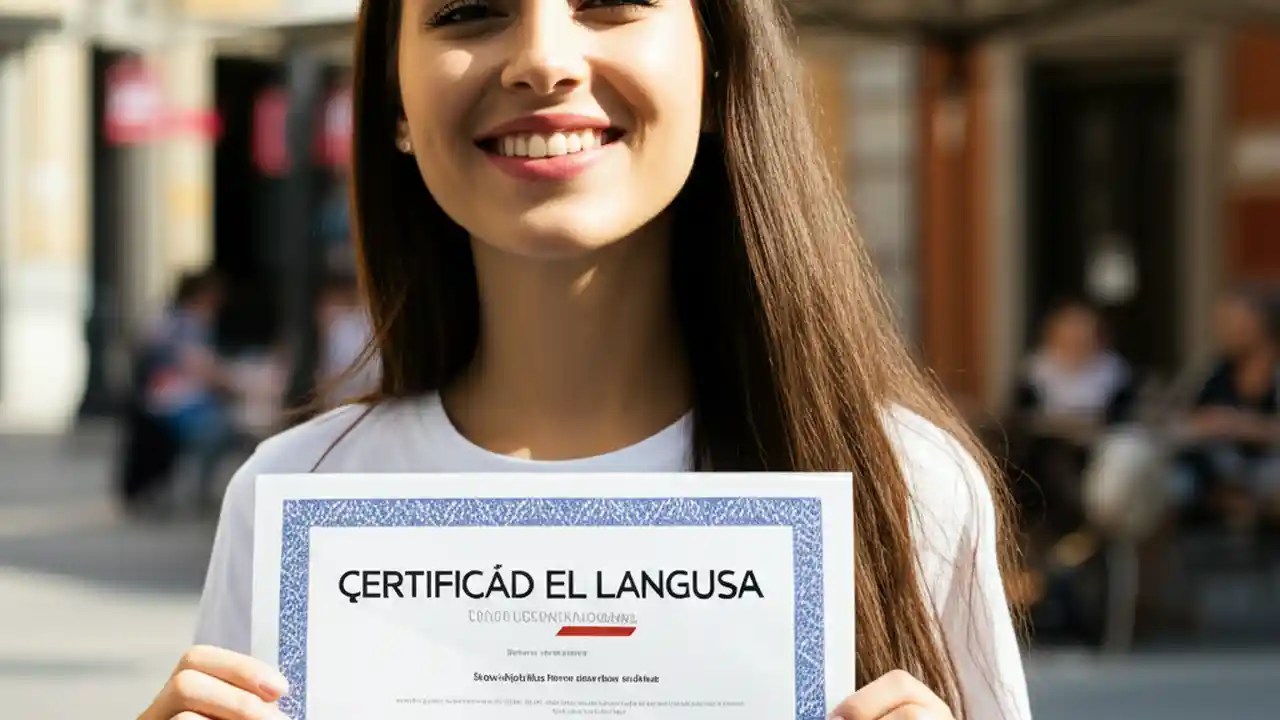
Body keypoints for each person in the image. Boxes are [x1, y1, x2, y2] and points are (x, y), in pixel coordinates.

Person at [139, 1, 1030, 718]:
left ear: (718, 70)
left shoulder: (907, 487)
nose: (542, 59)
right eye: (468, 10)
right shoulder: (297, 492)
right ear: (395, 104)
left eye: (611, 1)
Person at [1012, 299, 1136, 537]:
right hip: (1046, 452)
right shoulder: (1036, 370)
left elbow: (1123, 418)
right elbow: (1022, 416)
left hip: (1097, 450)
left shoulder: (1113, 372)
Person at [1173, 287, 1280, 525]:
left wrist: (1239, 425)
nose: (1222, 330)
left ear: (1261, 324)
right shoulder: (1213, 373)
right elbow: (1179, 419)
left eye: (1232, 321)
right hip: (1218, 476)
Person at [137, 270, 237, 511]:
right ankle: (198, 489)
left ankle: (198, 489)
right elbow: (199, 366)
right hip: (175, 402)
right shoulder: (186, 324)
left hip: (174, 400)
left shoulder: (172, 321)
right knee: (218, 428)